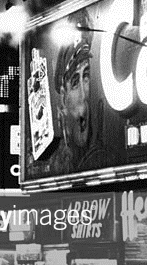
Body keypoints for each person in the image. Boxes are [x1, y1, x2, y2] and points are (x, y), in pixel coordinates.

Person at [48, 18, 116, 174]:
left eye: (86, 76)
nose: (84, 95)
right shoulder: (55, 165)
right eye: (75, 83)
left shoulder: (106, 154)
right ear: (64, 98)